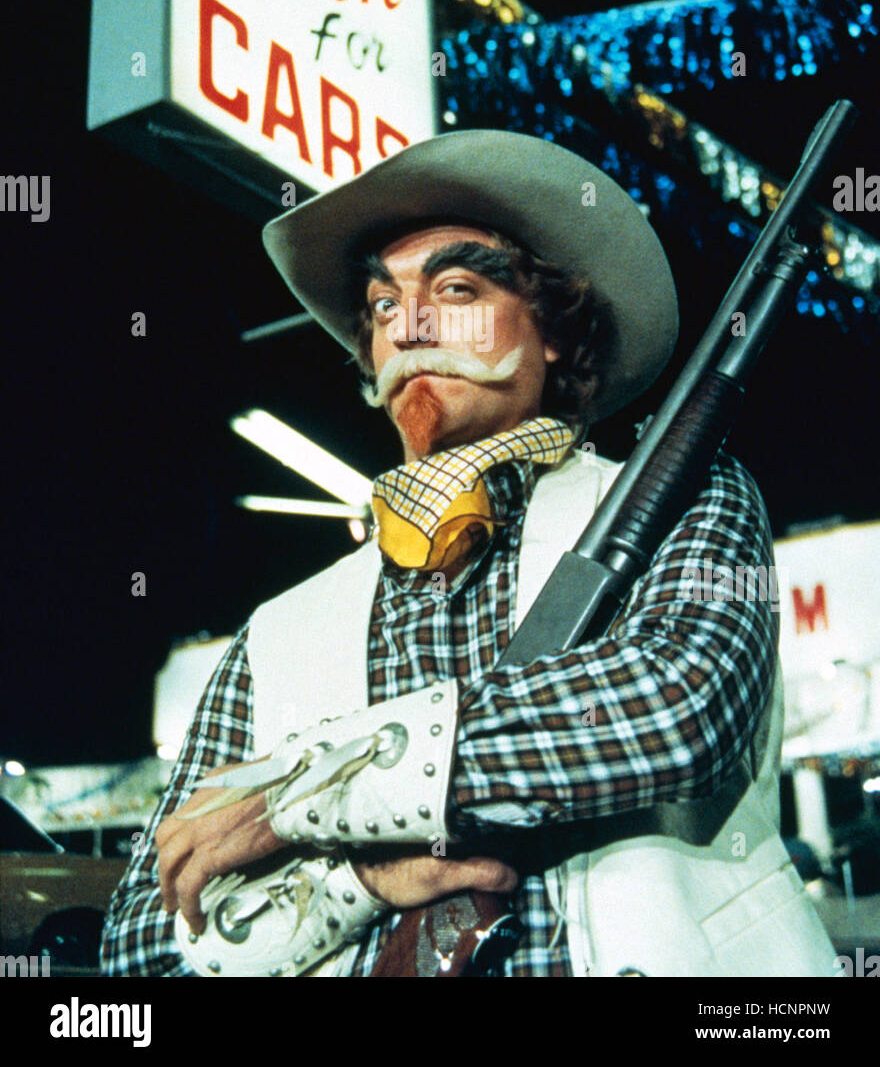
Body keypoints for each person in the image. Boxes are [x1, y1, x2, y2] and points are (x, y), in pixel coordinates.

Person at [101, 129, 838, 977]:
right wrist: (361, 878)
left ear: (556, 332)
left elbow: (676, 709)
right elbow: (140, 940)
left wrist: (302, 793)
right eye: (382, 306)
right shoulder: (277, 632)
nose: (409, 325)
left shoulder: (691, 491)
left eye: (455, 288)